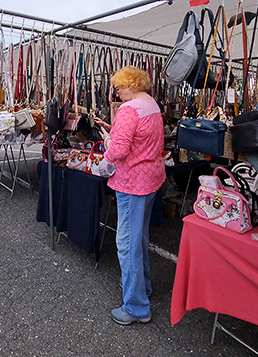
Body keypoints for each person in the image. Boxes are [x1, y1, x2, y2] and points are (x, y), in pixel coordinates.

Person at [94, 66, 165, 325]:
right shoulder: (151, 105)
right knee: (139, 237)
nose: (117, 92)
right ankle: (142, 288)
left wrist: (108, 143)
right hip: (150, 179)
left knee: (127, 244)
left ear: (131, 85)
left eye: (119, 87)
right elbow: (140, 138)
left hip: (132, 182)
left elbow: (119, 151)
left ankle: (136, 307)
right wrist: (113, 130)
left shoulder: (129, 109)